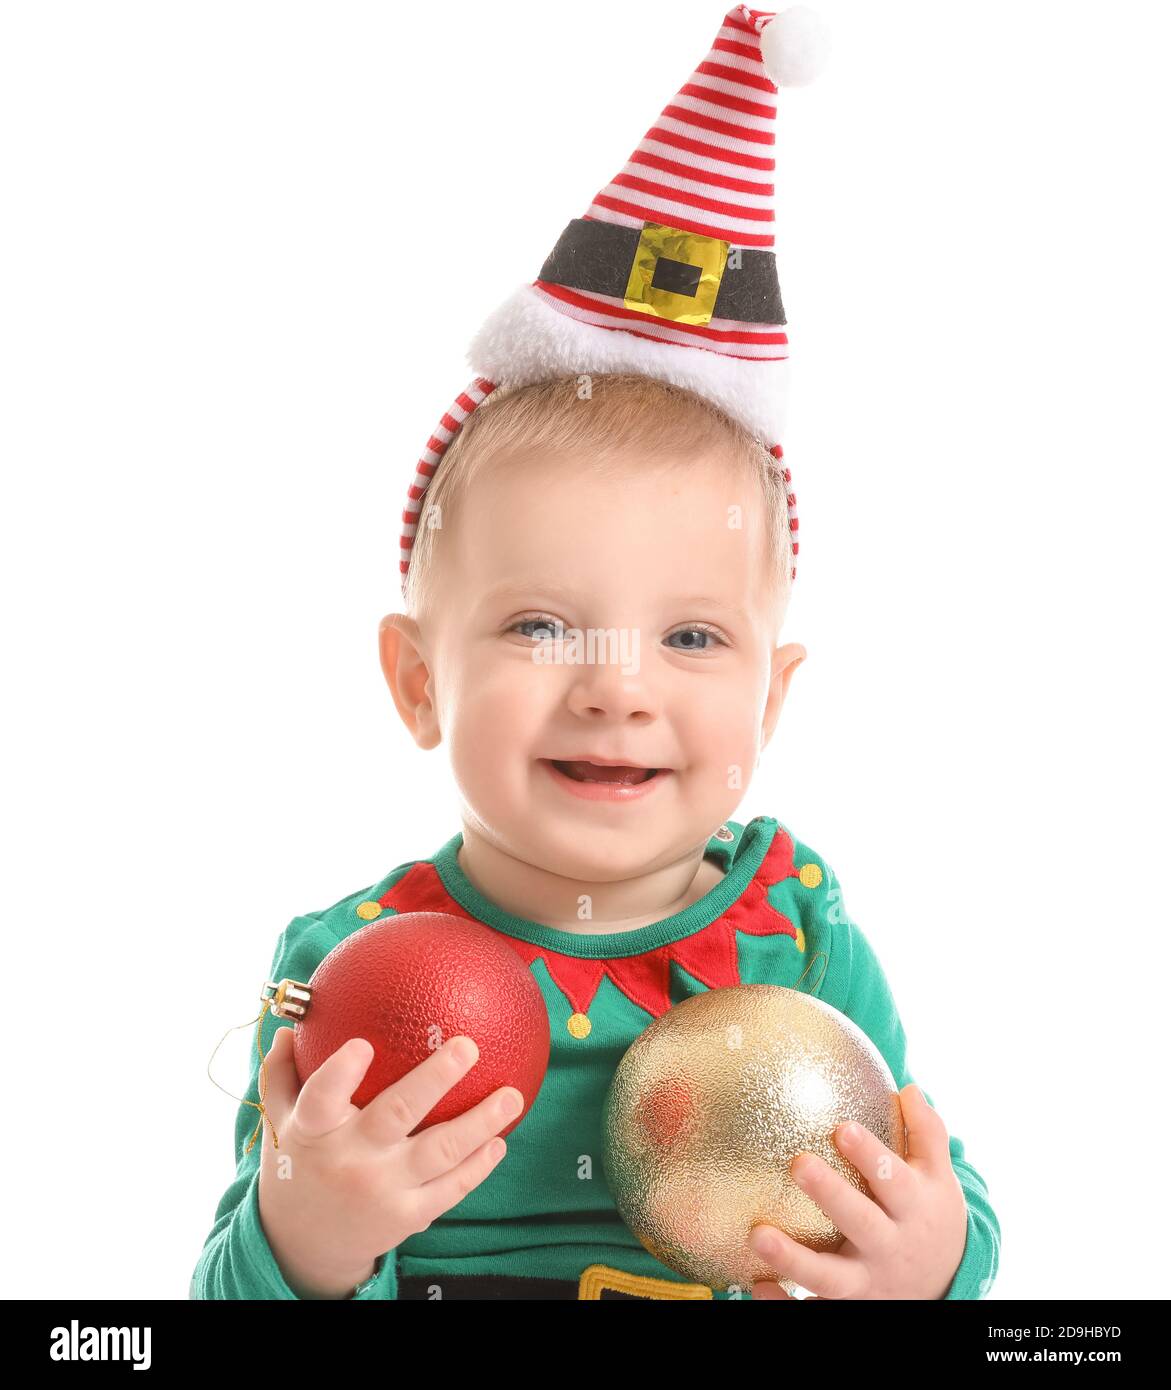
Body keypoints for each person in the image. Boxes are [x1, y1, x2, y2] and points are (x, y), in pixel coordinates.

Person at [191, 5, 1000, 1301]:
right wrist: (306, 1237)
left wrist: (933, 1262)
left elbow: (944, 1195)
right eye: (540, 625)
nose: (618, 685)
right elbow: (226, 1292)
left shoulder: (798, 928)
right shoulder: (344, 959)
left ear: (771, 698)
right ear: (415, 681)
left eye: (690, 636)